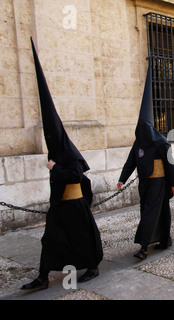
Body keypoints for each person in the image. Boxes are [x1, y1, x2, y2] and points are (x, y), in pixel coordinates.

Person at [22, 39, 103, 291]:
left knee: (81, 238)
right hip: (59, 206)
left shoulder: (68, 152)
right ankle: (42, 277)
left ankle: (92, 266)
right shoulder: (57, 151)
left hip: (75, 204)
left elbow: (76, 175)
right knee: (50, 240)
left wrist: (54, 168)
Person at [117, 61, 174, 260]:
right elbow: (130, 163)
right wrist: (122, 179)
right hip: (145, 183)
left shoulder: (162, 143)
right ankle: (164, 239)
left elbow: (170, 164)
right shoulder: (138, 143)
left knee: (150, 214)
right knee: (158, 211)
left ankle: (143, 246)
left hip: (159, 183)